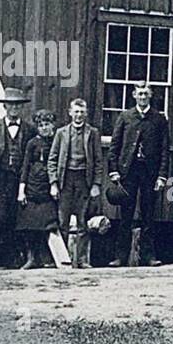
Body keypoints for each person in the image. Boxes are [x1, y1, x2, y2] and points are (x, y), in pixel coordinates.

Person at [107, 80, 170, 266]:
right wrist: (114, 171)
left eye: (146, 93)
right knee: (126, 214)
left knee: (148, 214)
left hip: (149, 172)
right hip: (128, 172)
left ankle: (149, 256)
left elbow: (164, 150)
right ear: (134, 95)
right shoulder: (125, 117)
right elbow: (114, 146)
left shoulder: (159, 119)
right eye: (139, 93)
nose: (142, 97)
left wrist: (162, 176)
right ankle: (120, 256)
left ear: (150, 95)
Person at [0, 87, 36, 268]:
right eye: (11, 105)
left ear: (22, 108)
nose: (14, 109)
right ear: (5, 106)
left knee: (16, 219)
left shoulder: (30, 130)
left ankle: (14, 260)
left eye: (18, 106)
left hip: (19, 180)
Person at [48, 98, 102, 269]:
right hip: (66, 179)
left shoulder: (92, 133)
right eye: (76, 112)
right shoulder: (61, 133)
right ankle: (63, 259)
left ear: (86, 114)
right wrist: (54, 183)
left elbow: (99, 162)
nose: (79, 115)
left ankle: (81, 260)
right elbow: (52, 159)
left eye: (82, 112)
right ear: (70, 113)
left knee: (82, 221)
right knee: (63, 221)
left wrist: (96, 185)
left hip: (83, 180)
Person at [16, 109, 59, 269]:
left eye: (47, 124)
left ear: (52, 125)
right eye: (41, 125)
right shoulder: (32, 143)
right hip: (33, 187)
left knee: (47, 224)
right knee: (29, 225)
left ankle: (47, 258)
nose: (44, 128)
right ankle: (31, 258)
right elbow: (25, 167)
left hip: (48, 188)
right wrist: (22, 190)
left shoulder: (57, 141)